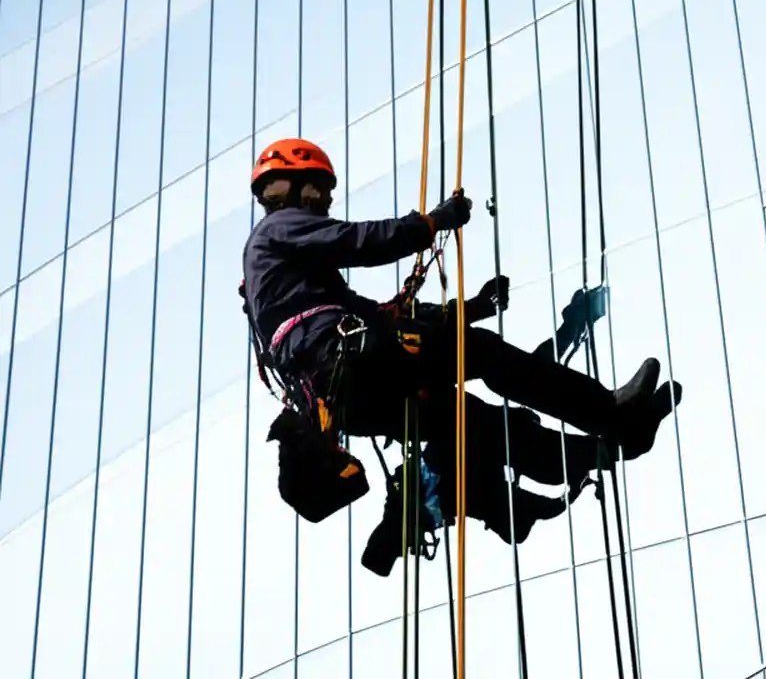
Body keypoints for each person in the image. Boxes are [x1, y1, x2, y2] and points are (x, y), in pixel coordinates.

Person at [240, 138, 681, 568]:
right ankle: (613, 414)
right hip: (356, 366)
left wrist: (470, 309)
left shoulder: (289, 276)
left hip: (352, 397)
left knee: (480, 425)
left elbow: (376, 311)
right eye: (318, 187)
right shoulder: (281, 227)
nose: (326, 199)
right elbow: (363, 242)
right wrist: (431, 223)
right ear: (288, 187)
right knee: (483, 354)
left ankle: (606, 451)